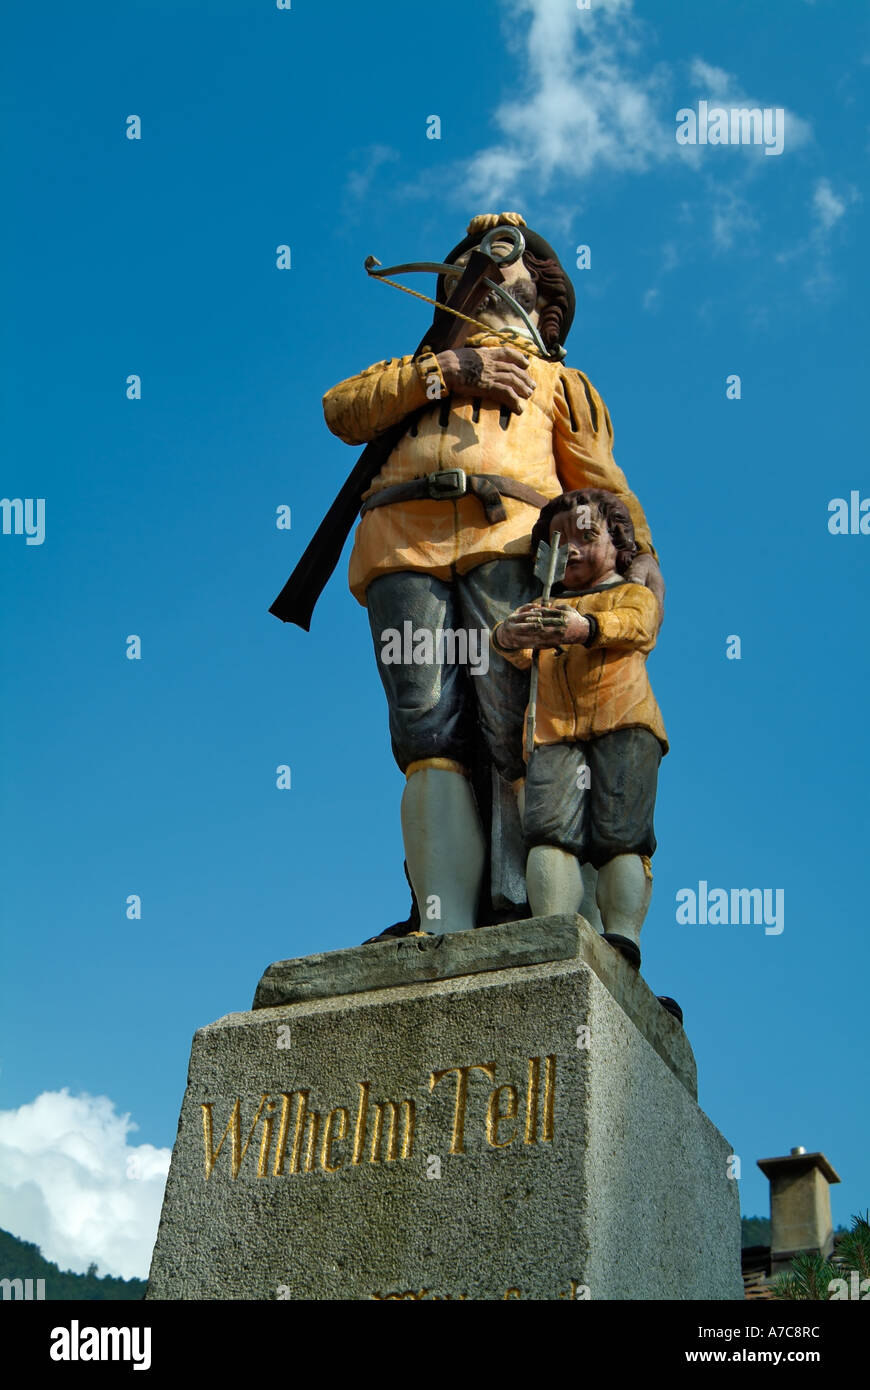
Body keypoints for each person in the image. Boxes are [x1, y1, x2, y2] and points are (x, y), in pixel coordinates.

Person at [322, 213, 664, 937]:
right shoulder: (413, 373)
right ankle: (439, 918)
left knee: (522, 728)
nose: (485, 270)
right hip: (399, 550)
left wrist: (639, 565)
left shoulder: (561, 383)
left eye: (504, 261)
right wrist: (446, 373)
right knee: (425, 731)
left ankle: (536, 910)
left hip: (515, 546)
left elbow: (601, 486)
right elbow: (340, 410)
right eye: (473, 263)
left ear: (542, 302)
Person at [492, 489, 668, 968]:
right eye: (557, 540)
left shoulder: (630, 593)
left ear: (618, 542)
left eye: (585, 536)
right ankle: (552, 928)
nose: (569, 547)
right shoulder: (545, 602)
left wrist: (584, 627)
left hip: (624, 724)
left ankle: (622, 937)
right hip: (553, 732)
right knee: (550, 832)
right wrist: (509, 636)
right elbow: (519, 651)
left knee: (621, 836)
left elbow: (639, 625)